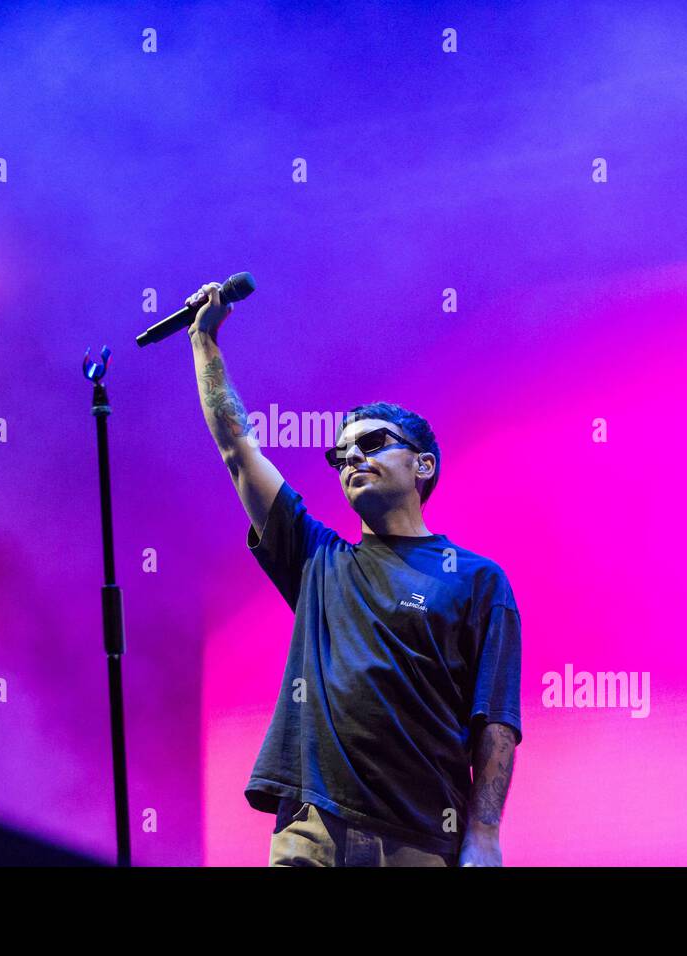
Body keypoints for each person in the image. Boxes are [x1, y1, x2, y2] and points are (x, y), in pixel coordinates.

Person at [187, 280, 522, 867]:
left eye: (372, 443)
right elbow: (238, 448)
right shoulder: (317, 559)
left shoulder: (477, 580)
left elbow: (494, 718)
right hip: (313, 832)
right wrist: (204, 342)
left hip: (422, 837)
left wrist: (485, 834)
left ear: (423, 465)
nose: (351, 459)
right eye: (341, 454)